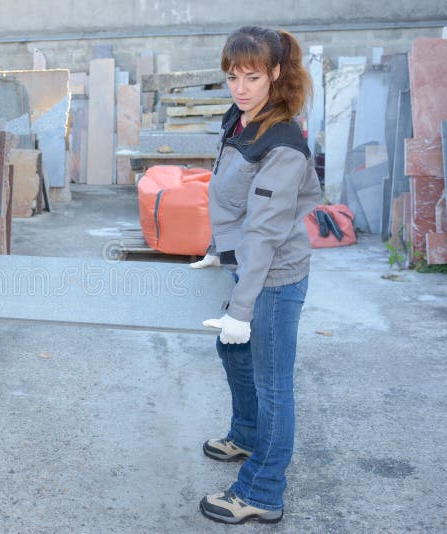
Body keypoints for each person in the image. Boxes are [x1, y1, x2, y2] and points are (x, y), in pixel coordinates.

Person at [190, 26, 321, 524]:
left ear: (275, 74)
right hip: (245, 263)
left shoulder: (282, 144)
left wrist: (241, 309)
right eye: (232, 77)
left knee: (273, 386)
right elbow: (233, 200)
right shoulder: (242, 120)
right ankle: (247, 435)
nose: (240, 88)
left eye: (252, 77)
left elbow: (264, 233)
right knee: (231, 351)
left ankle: (263, 491)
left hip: (274, 276)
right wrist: (217, 251)